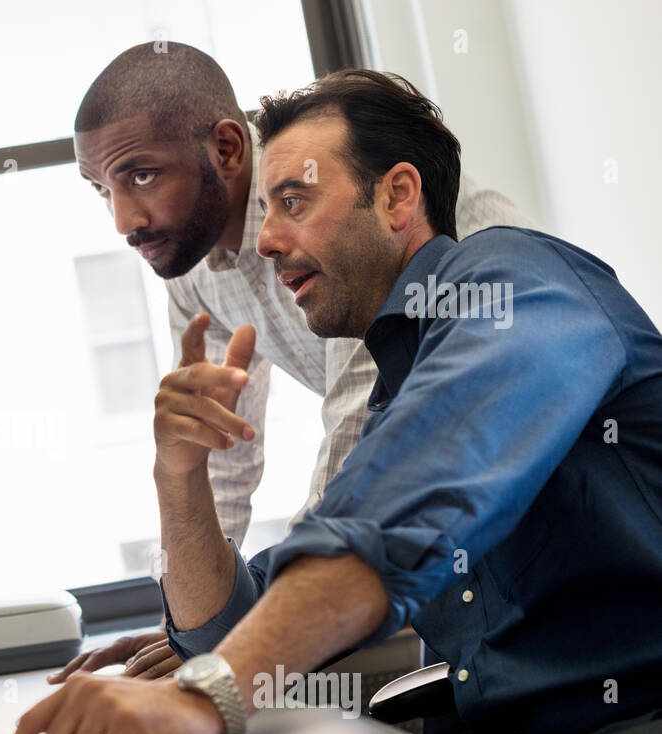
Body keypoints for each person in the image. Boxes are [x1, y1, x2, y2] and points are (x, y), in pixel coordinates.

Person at [5, 69, 662, 734]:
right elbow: (219, 631)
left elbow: (392, 510)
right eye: (265, 208)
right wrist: (179, 475)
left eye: (294, 201)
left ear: (398, 197)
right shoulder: (396, 384)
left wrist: (207, 699)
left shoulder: (518, 282)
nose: (264, 241)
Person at [52, 43, 534, 684]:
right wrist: (195, 619)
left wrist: (238, 639)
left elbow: (358, 439)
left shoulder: (352, 208)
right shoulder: (194, 264)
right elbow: (218, 464)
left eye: (140, 175)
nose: (122, 220)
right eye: (100, 189)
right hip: (462, 585)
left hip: (535, 558)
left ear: (227, 149)